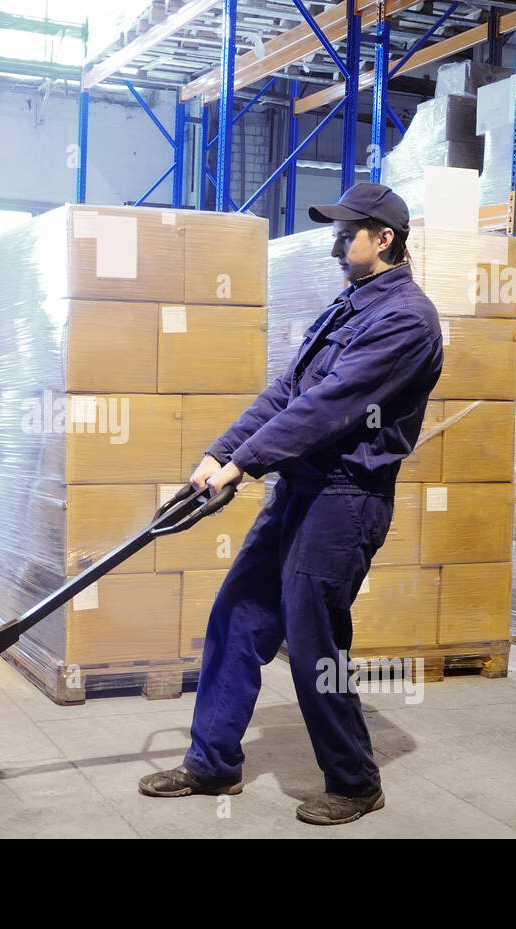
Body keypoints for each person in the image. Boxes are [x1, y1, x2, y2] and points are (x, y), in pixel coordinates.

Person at [138, 183, 443, 826]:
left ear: (383, 239)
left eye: (347, 232)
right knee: (237, 618)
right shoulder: (349, 306)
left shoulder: (407, 321)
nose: (336, 243)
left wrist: (245, 464)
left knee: (313, 644)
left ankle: (355, 780)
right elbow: (286, 393)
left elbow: (329, 408)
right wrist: (218, 454)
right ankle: (213, 764)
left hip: (345, 500)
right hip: (299, 489)